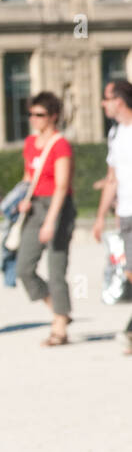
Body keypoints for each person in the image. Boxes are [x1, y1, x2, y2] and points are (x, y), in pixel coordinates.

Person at [17, 91, 75, 347]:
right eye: (31, 114)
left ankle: (59, 327)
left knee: (56, 269)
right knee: (24, 268)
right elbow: (28, 177)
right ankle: (59, 310)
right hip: (35, 207)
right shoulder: (30, 143)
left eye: (39, 114)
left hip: (58, 207)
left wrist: (51, 221)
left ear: (53, 116)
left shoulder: (61, 145)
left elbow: (62, 186)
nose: (33, 118)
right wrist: (23, 199)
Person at [93, 79, 132, 354]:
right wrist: (100, 217)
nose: (102, 104)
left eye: (106, 98)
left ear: (119, 101)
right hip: (126, 213)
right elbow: (112, 179)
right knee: (129, 272)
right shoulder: (115, 133)